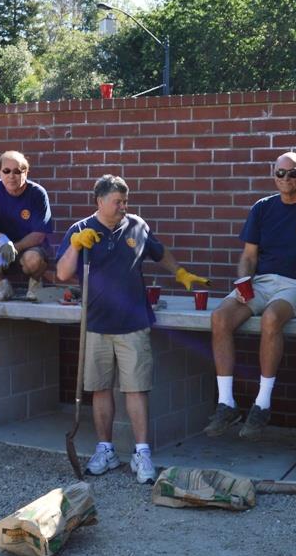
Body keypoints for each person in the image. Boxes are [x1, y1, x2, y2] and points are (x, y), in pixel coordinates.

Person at [56, 174, 208, 484]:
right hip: (96, 323)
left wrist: (179, 272)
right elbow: (62, 272)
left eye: (126, 201)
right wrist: (75, 246)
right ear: (100, 201)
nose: (124, 206)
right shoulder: (81, 230)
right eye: (118, 202)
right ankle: (106, 450)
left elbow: (157, 250)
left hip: (134, 322)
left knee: (136, 388)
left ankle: (142, 453)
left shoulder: (137, 225)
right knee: (100, 388)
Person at [204, 152, 296, 440]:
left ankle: (262, 404)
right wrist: (244, 279)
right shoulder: (262, 208)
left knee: (271, 317)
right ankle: (226, 403)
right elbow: (248, 257)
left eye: (291, 173)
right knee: (219, 317)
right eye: (279, 173)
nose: (285, 179)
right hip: (264, 281)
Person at [0, 151, 53, 301]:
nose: (11, 176)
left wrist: (14, 248)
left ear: (26, 172)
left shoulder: (37, 193)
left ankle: (35, 284)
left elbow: (39, 234)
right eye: (6, 171)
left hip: (29, 249)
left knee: (34, 260)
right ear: (0, 172)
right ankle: (2, 284)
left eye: (17, 171)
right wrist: (1, 239)